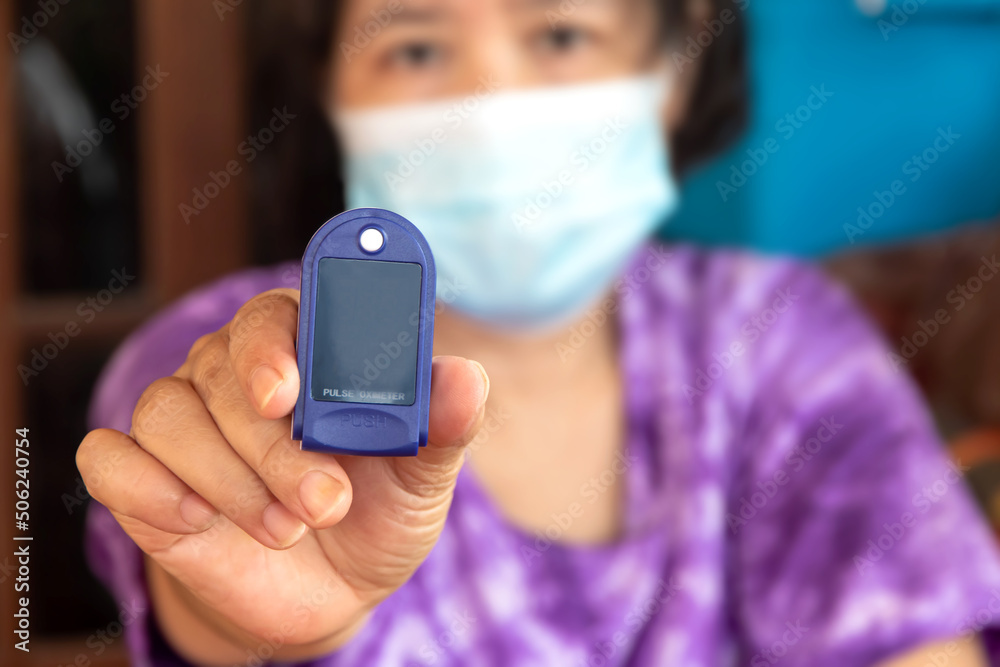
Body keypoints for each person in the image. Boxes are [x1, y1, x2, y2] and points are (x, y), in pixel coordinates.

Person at [77, 0, 1000, 665]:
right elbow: (208, 578)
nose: (488, 100)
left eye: (561, 33)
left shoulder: (780, 337)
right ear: (332, 91)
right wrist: (253, 627)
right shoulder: (233, 358)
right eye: (413, 47)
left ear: (677, 66)